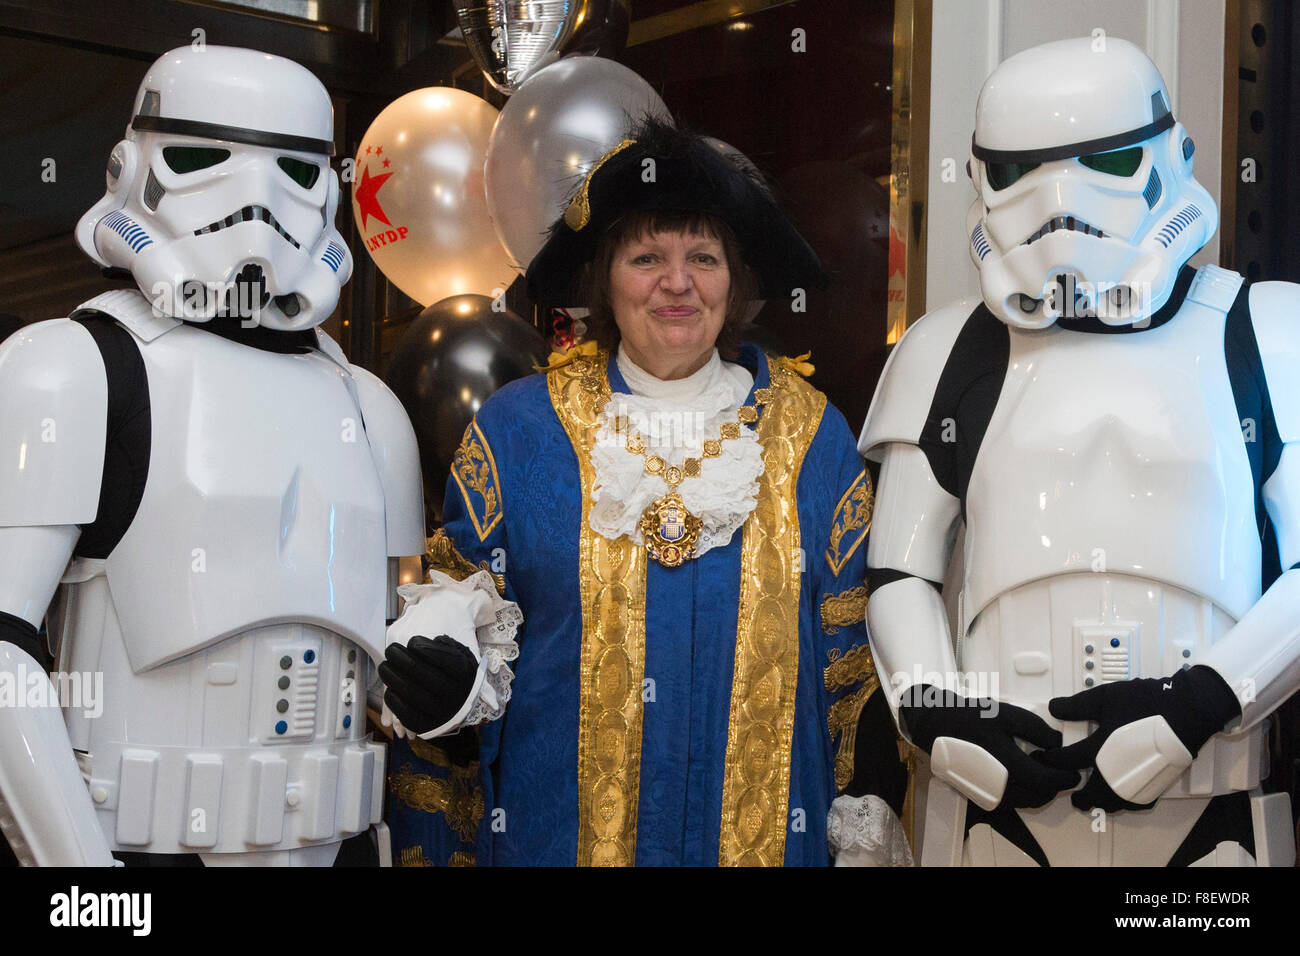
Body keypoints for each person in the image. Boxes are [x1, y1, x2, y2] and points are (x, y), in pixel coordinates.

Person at [379, 116, 911, 866]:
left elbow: (851, 661)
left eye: (704, 256)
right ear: (603, 278)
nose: (678, 282)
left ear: (737, 280)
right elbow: (459, 623)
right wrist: (444, 683)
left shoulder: (811, 437)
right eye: (646, 257)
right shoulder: (516, 434)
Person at [861, 37, 1299, 866]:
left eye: (1107, 160)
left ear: (1174, 157)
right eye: (1018, 171)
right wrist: (937, 716)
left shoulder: (1267, 331)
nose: (1059, 202)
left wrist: (1200, 706)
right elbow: (898, 574)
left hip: (1214, 802)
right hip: (999, 804)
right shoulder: (947, 348)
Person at [0, 46, 423, 865]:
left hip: (340, 842)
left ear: (328, 190)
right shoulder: (71, 368)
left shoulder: (368, 407)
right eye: (203, 161)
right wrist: (82, 883)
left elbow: (398, 654)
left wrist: (455, 676)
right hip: (131, 852)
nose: (256, 204)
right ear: (132, 169)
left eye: (293, 173)